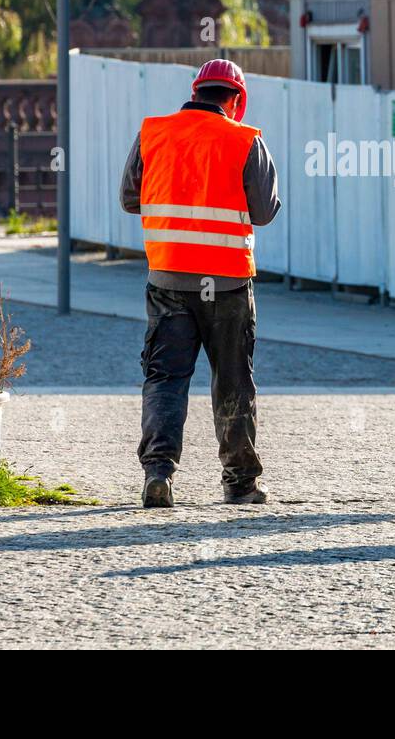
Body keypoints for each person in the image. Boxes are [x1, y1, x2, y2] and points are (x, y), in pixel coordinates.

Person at [118, 59, 281, 508]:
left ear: (197, 90)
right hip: (227, 283)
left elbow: (130, 199)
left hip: (168, 278)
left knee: (165, 377)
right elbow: (264, 212)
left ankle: (158, 474)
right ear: (236, 99)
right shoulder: (246, 141)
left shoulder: (152, 133)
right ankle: (240, 482)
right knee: (232, 381)